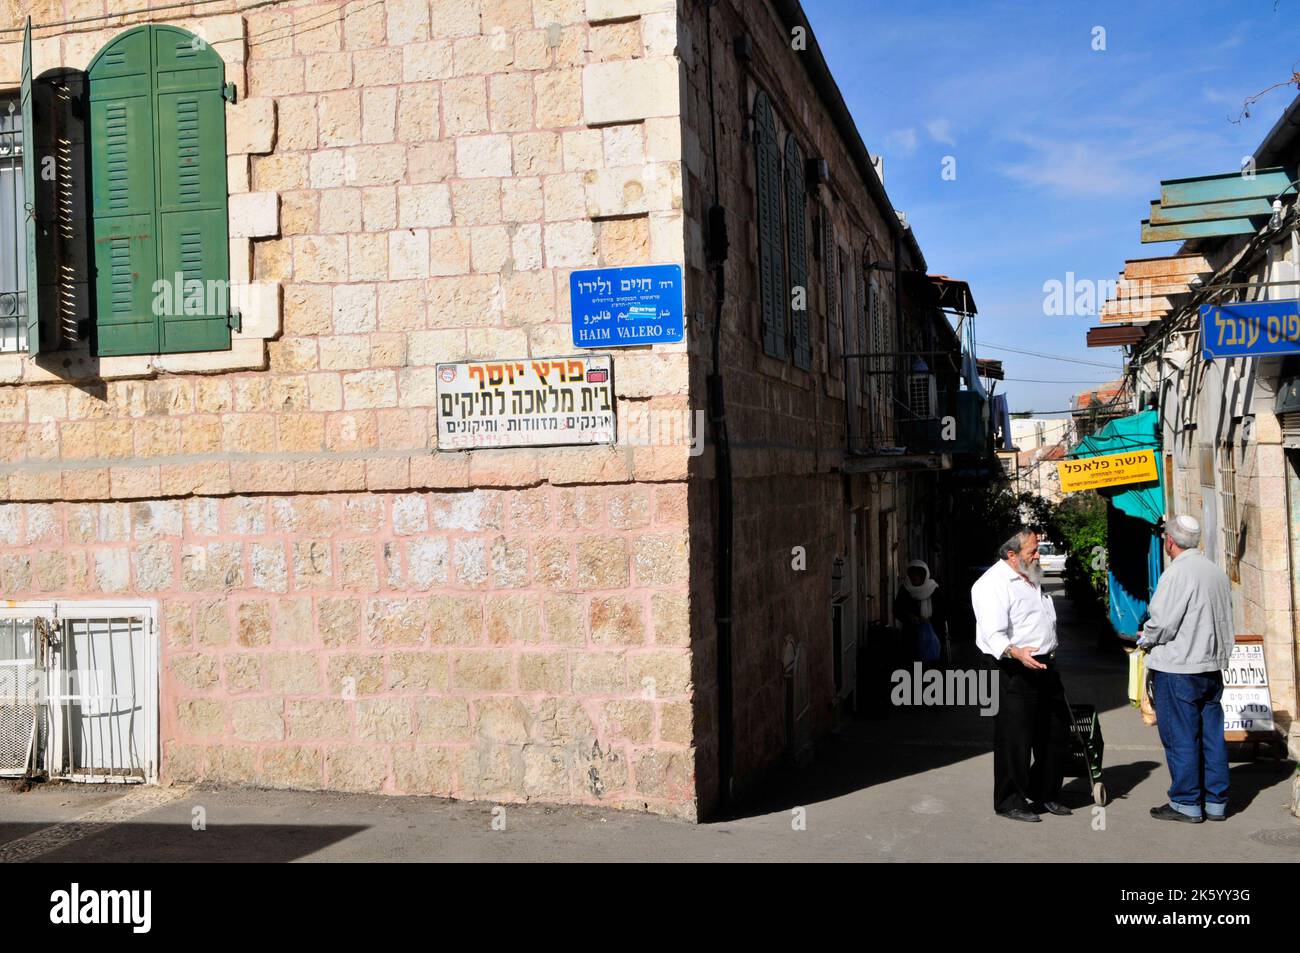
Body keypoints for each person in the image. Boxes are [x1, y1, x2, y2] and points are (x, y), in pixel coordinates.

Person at [1138, 514, 1235, 823]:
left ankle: (1186, 802)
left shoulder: (1177, 573)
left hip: (1179, 667)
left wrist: (1145, 638)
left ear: (1170, 542)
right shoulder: (1215, 571)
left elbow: (1163, 622)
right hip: (1210, 667)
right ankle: (1216, 802)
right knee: (1211, 736)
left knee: (1181, 736)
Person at [971, 528, 1072, 822]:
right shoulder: (991, 584)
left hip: (1043, 664)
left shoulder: (1030, 575)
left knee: (1055, 731)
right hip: (1012, 667)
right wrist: (1016, 653)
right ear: (1011, 555)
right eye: (1033, 551)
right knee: (1014, 737)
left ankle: (1045, 792)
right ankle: (1010, 800)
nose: (1038, 555)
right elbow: (992, 633)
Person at [895, 560, 949, 665]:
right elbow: (897, 609)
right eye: (912, 574)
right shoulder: (905, 590)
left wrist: (930, 619)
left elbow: (944, 612)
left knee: (933, 670)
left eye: (918, 574)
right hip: (911, 637)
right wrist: (909, 616)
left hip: (933, 634)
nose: (915, 577)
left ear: (924, 575)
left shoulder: (934, 589)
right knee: (913, 669)